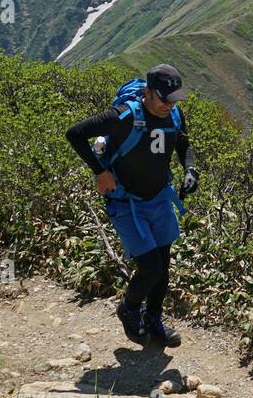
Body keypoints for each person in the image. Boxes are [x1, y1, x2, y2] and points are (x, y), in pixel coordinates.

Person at [66, 63, 199, 347]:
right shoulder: (124, 116)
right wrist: (99, 172)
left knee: (163, 266)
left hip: (159, 197)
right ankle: (129, 308)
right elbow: (75, 133)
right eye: (164, 99)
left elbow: (184, 144)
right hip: (126, 202)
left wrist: (190, 170)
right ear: (148, 93)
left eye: (174, 99)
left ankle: (154, 320)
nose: (170, 105)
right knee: (150, 268)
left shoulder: (173, 113)